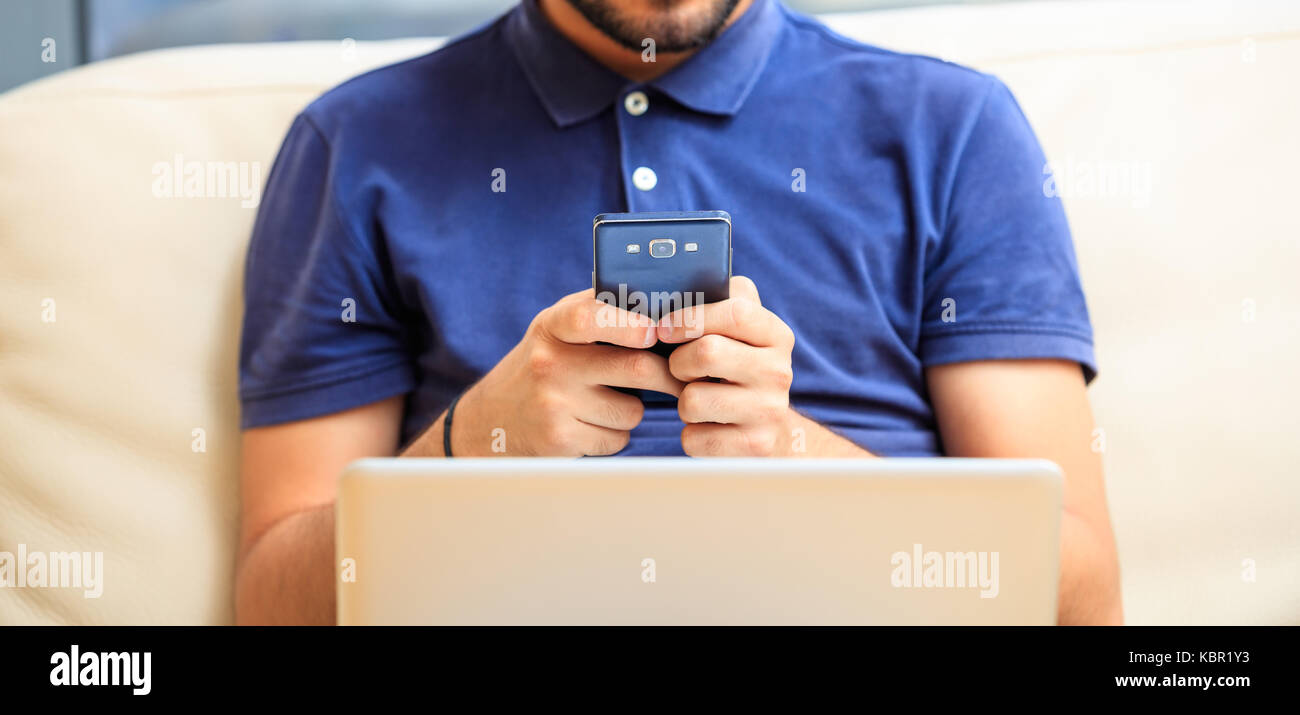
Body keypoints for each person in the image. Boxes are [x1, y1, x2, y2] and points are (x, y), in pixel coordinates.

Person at [236, 0, 1122, 625]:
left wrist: (797, 453)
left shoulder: (955, 129)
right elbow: (273, 605)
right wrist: (474, 446)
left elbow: (1083, 602)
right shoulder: (354, 144)